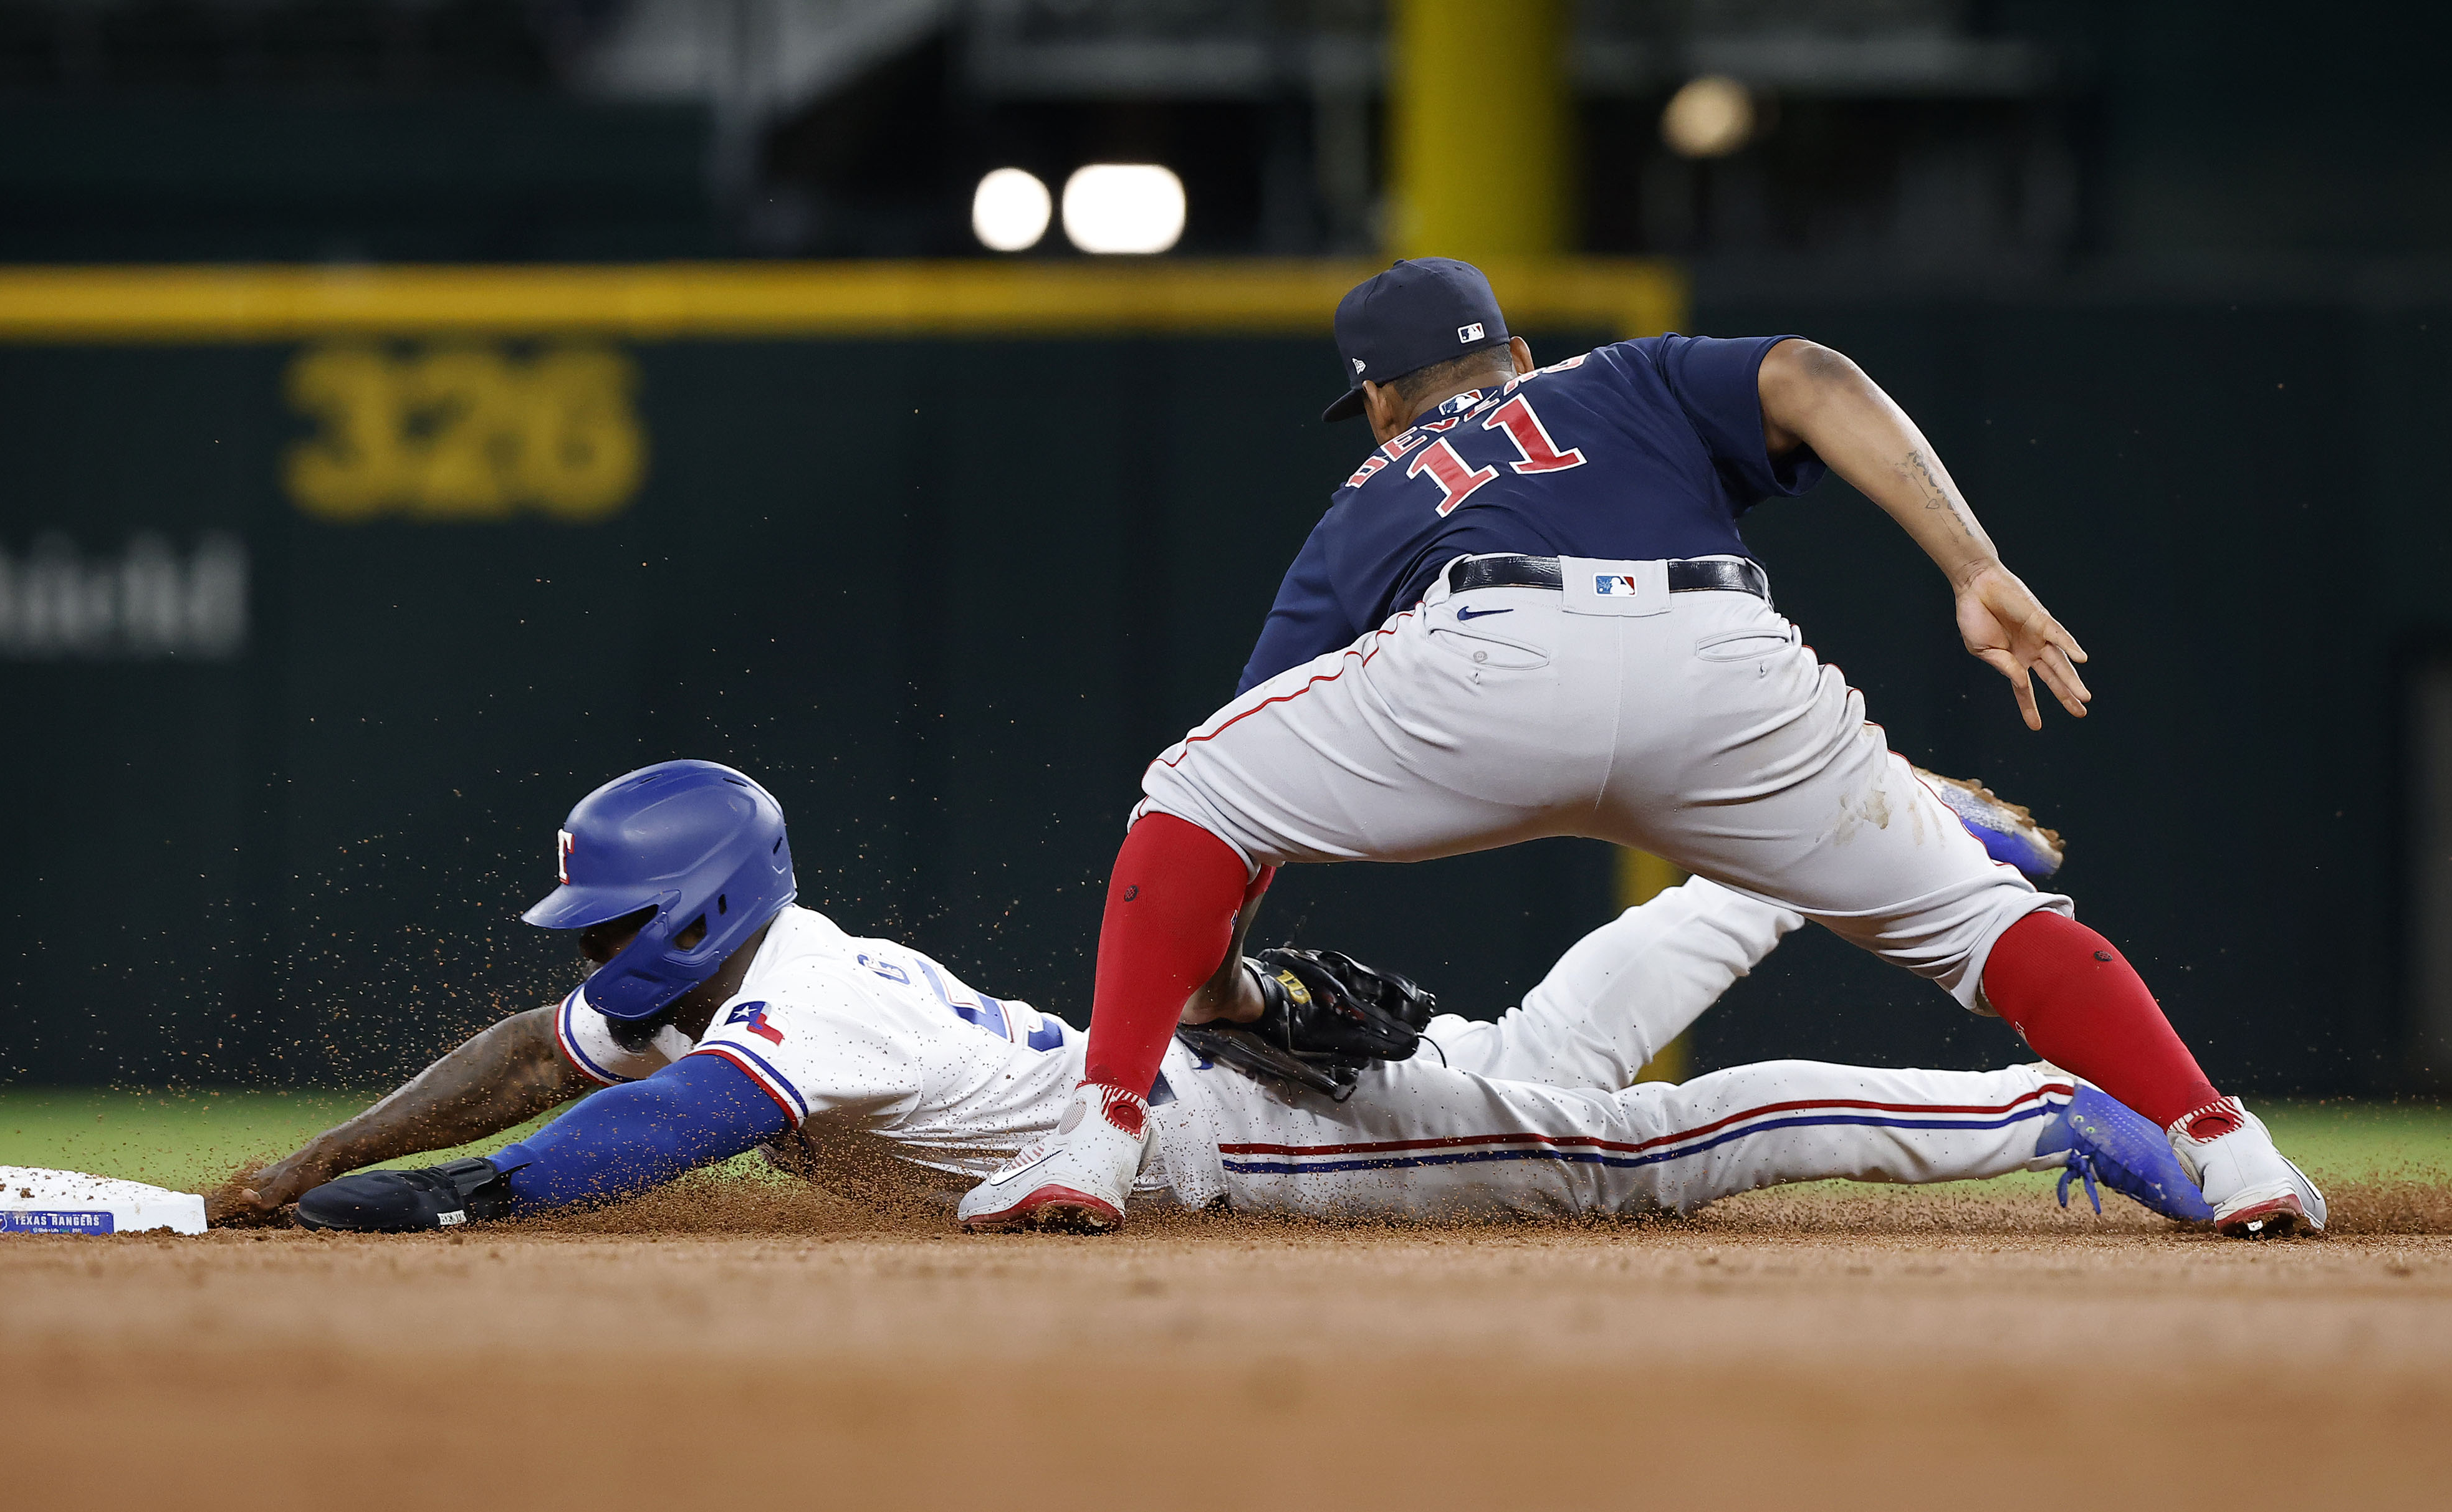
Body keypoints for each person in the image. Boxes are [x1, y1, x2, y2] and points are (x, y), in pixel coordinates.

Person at [957, 257, 2322, 1240]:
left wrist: (1221, 990)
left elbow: (1238, 805)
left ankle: (1100, 1137)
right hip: (1724, 664)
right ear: (1518, 358)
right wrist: (1974, 566)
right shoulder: (1630, 378)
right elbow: (1811, 373)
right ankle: (2232, 1147)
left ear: (1380, 402)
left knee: (1191, 786)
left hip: (1482, 654)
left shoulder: (1370, 491)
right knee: (1991, 932)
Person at [224, 758, 2213, 1235]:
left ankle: (2043, 1112)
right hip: (1206, 1093)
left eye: (602, 925)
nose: (583, 959)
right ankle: (1874, 828)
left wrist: (466, 1200)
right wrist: (326, 1156)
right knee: (1548, 1059)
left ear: (696, 912)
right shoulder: (746, 968)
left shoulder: (792, 1016)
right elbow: (530, 1052)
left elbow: (655, 1127)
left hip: (1243, 1140)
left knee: (1638, 1149)